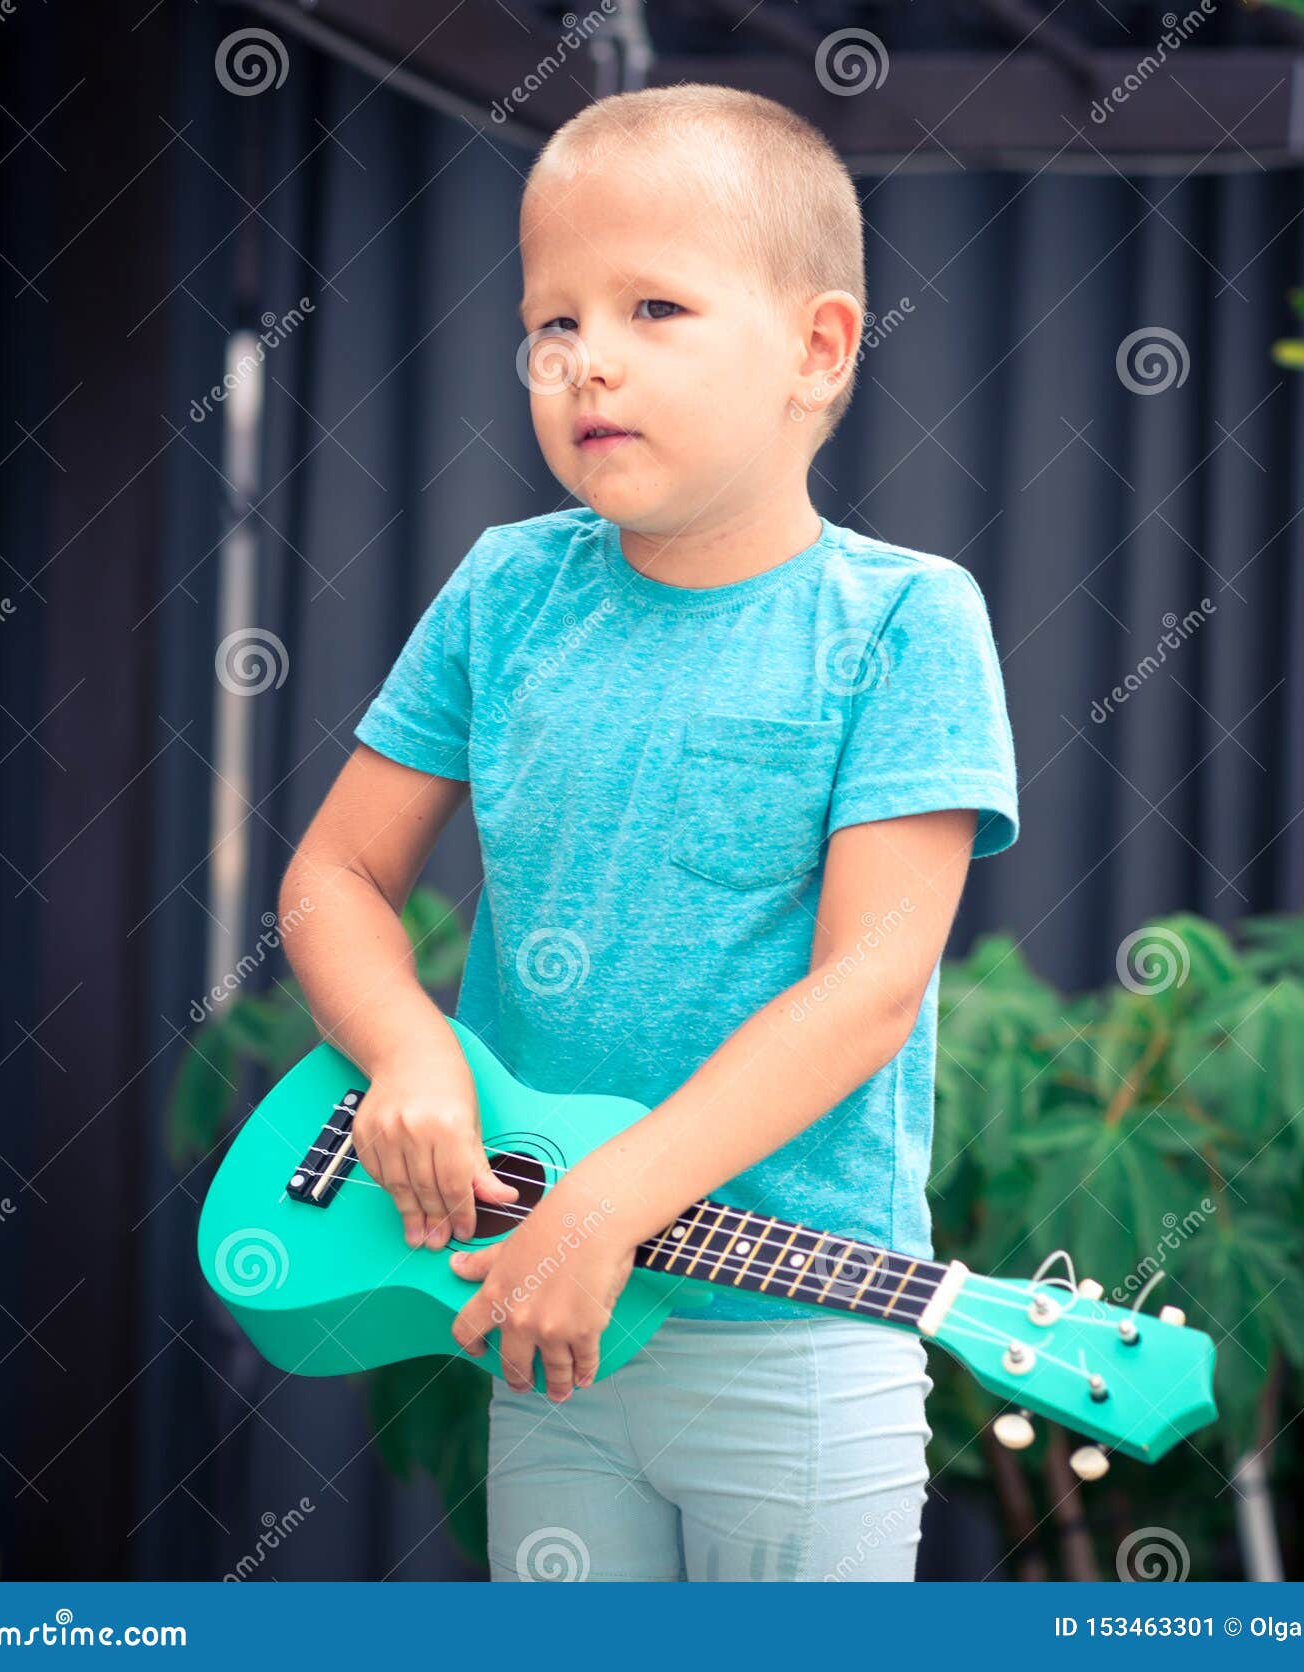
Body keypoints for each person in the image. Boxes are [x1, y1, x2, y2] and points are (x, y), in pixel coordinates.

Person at [279, 82, 1020, 1583]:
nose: (586, 360)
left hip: (798, 1343)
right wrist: (410, 1056)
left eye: (654, 308)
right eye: (551, 323)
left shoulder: (905, 621)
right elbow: (336, 875)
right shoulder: (505, 591)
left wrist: (610, 1203)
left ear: (819, 348)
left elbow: (867, 988)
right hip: (539, 1310)